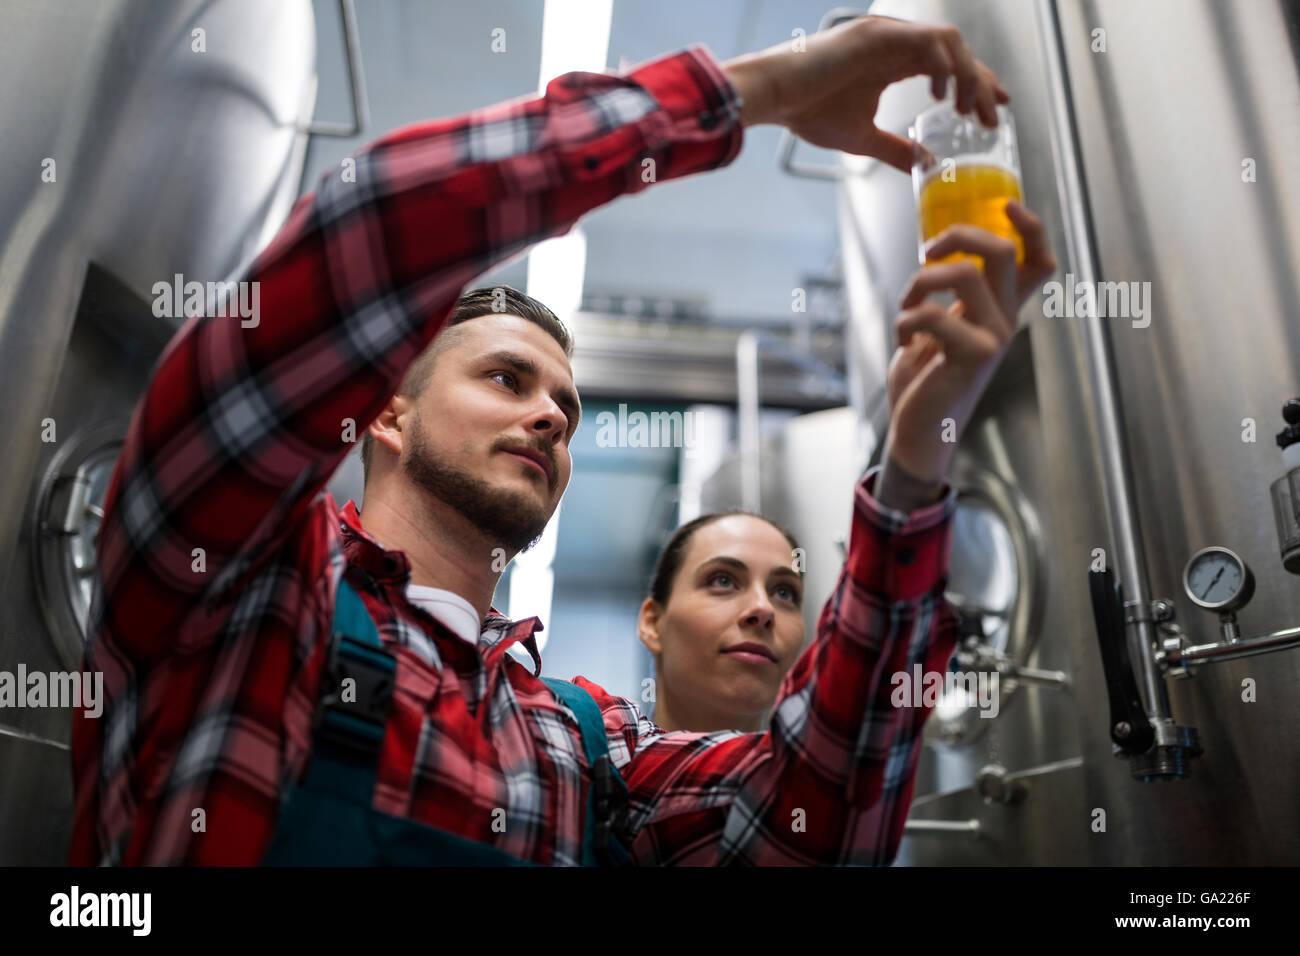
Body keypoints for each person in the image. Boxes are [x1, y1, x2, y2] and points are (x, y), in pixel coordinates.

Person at [69, 15, 1055, 865]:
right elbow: (363, 229)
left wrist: (919, 458)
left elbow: (811, 823)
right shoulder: (244, 585)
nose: (549, 414)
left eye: (568, 409)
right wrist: (752, 92)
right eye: (505, 378)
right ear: (386, 411)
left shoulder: (578, 742)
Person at [638, 512, 806, 733]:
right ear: (653, 624)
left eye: (784, 593)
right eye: (722, 580)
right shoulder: (590, 758)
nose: (763, 608)